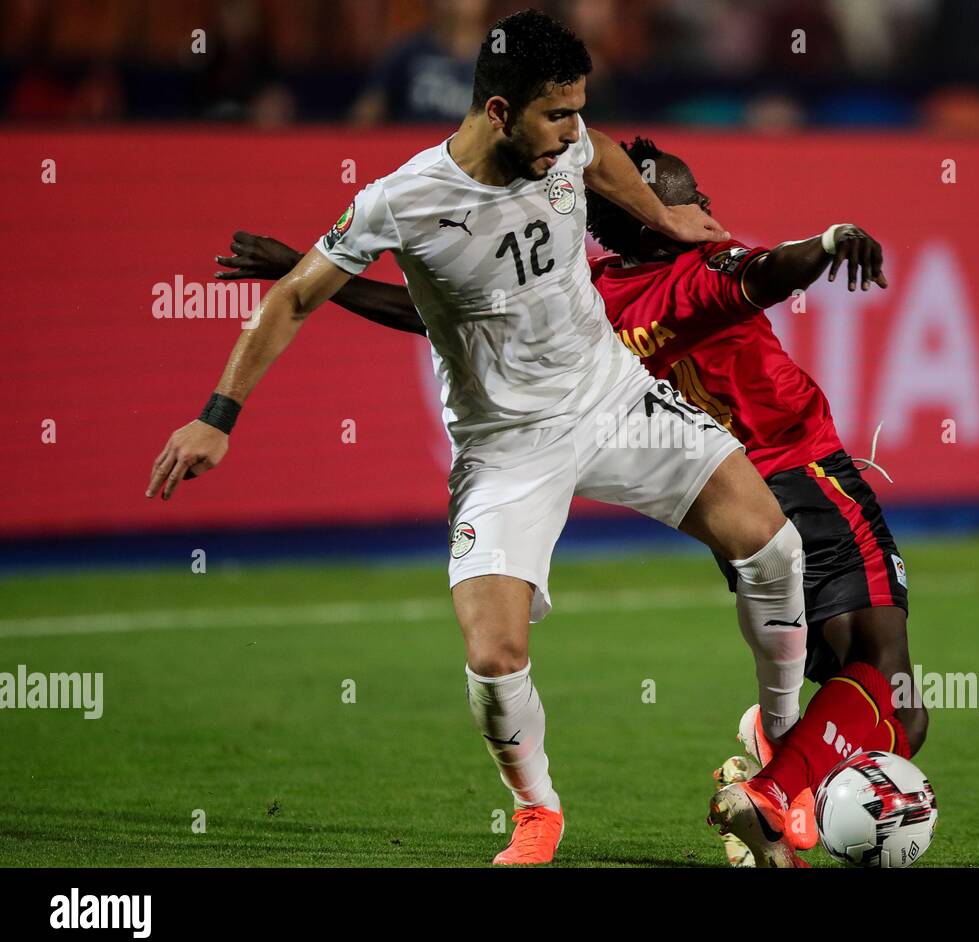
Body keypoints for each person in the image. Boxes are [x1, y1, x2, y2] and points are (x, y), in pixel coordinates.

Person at [148, 11, 812, 867]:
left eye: (579, 110)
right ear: (498, 111)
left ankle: (783, 745)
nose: (574, 133)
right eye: (556, 115)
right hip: (507, 446)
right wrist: (217, 415)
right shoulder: (404, 198)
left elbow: (603, 153)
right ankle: (537, 810)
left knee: (775, 547)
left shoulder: (567, 145)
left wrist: (663, 216)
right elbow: (295, 298)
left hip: (609, 394)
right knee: (495, 661)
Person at [213, 135, 928, 868]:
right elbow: (768, 271)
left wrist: (310, 272)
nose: (708, 206)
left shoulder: (596, 296)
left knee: (849, 673)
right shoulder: (700, 269)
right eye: (694, 197)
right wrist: (831, 240)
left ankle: (777, 767)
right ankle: (775, 785)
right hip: (803, 477)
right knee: (896, 689)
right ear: (659, 217)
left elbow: (434, 314)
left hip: (726, 486)